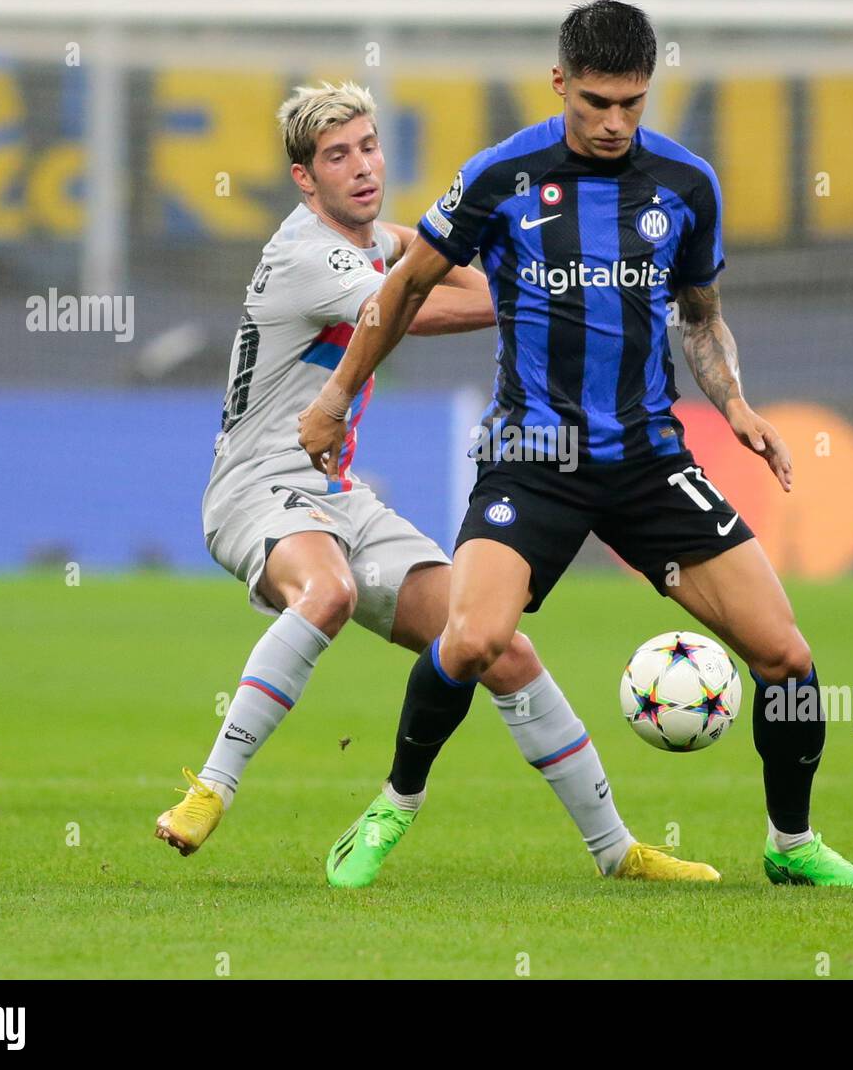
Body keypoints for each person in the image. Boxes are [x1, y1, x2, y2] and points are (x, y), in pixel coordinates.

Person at [299, 2, 853, 889]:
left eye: (633, 103)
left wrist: (733, 401)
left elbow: (703, 320)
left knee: (786, 656)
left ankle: (792, 844)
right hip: (535, 460)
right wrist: (337, 397)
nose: (615, 122)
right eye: (596, 102)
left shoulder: (686, 185)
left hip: (651, 461)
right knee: (471, 638)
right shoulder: (502, 177)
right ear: (559, 84)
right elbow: (405, 286)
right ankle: (395, 804)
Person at [155, 79, 720, 888]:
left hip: (335, 494)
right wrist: (549, 290)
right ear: (304, 180)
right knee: (328, 592)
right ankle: (210, 789)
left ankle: (616, 851)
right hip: (255, 489)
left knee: (493, 645)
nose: (361, 167)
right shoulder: (306, 257)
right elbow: (408, 309)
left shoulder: (368, 239)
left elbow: (448, 273)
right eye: (336, 157)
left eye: (369, 147)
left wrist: (536, 281)